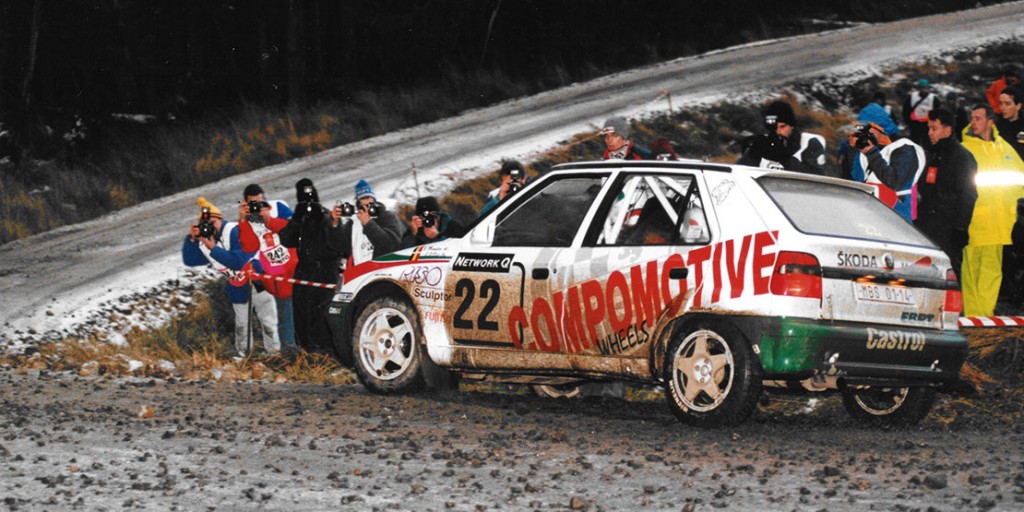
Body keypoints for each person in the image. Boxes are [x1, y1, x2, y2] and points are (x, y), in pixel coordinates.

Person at [182, 198, 280, 356]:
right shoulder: (204, 242)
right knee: (242, 325)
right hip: (238, 286)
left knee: (268, 322)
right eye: (205, 223)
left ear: (220, 219)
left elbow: (237, 261)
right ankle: (244, 354)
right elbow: (190, 260)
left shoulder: (234, 231)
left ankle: (274, 354)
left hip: (257, 281)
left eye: (212, 222)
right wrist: (192, 240)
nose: (209, 226)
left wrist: (214, 249)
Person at [960, 104, 1024, 317]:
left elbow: (1019, 180)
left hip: (998, 224)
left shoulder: (1005, 149)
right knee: (970, 271)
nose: (974, 123)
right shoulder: (965, 149)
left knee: (991, 271)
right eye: (972, 118)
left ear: (990, 122)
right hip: (974, 222)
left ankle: (983, 316)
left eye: (978, 118)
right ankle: (972, 316)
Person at [276, 178, 342, 352]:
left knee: (322, 314)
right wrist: (297, 218)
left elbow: (336, 242)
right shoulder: (300, 219)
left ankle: (326, 351)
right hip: (305, 271)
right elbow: (285, 240)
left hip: (325, 271)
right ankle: (307, 350)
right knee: (301, 313)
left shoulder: (326, 216)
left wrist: (322, 218)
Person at [914, 108, 978, 283]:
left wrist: (960, 229)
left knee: (950, 279)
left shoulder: (962, 157)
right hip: (928, 228)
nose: (930, 133)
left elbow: (968, 195)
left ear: (948, 130)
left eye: (934, 128)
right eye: (929, 128)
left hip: (949, 232)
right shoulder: (934, 155)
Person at [237, 183, 299, 354]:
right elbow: (248, 247)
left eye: (260, 202)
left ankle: (309, 347)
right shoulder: (246, 222)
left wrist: (270, 219)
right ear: (246, 204)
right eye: (253, 204)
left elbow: (295, 228)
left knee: (303, 309)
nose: (257, 207)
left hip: (293, 265)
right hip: (274, 274)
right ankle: (289, 351)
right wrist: (243, 220)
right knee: (283, 314)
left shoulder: (278, 207)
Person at [842, 102, 925, 222]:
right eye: (859, 128)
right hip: (870, 216)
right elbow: (855, 179)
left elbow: (895, 182)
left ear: (879, 128)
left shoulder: (905, 147)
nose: (862, 133)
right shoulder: (869, 149)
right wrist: (852, 149)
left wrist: (870, 152)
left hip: (897, 218)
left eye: (864, 128)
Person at [327, 179, 405, 266]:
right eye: (363, 198)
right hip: (361, 272)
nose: (367, 202)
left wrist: (368, 224)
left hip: (382, 268)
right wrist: (335, 223)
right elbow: (339, 246)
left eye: (368, 197)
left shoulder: (387, 216)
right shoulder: (353, 223)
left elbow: (391, 245)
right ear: (358, 203)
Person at [736, 100, 825, 175]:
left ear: (792, 126)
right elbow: (740, 173)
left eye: (783, 127)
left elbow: (816, 179)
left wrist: (783, 157)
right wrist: (754, 151)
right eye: (774, 127)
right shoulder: (764, 144)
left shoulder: (808, 143)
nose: (778, 131)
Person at [401, 196, 467, 248]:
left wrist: (438, 237)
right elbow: (402, 254)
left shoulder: (453, 227)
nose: (428, 219)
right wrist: (413, 235)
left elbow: (461, 249)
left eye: (432, 215)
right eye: (424, 216)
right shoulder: (414, 231)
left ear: (439, 215)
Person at [902, 79, 941, 147]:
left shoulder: (933, 98)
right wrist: (908, 123)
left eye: (925, 88)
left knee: (928, 145)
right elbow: (906, 110)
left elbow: (938, 112)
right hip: (915, 125)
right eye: (921, 88)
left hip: (928, 125)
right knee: (914, 144)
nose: (923, 90)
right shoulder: (912, 97)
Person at [995, 85, 1024, 160]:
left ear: (1018, 106)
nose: (1003, 108)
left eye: (1007, 104)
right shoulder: (995, 127)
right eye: (1001, 103)